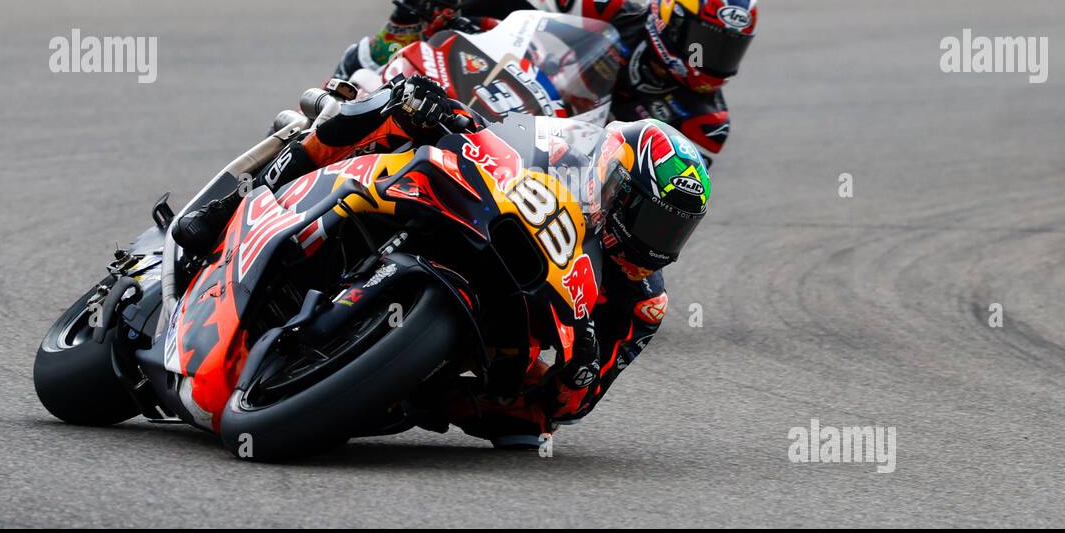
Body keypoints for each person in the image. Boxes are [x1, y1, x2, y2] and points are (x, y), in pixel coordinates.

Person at [174, 74, 713, 448]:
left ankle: (375, 381)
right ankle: (238, 200)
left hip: (510, 331)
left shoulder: (643, 302)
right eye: (650, 219)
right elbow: (508, 135)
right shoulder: (569, 160)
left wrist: (584, 366)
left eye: (675, 230)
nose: (656, 241)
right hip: (485, 219)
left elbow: (576, 405)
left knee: (526, 430)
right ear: (615, 186)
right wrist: (446, 113)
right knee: (393, 108)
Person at [334, 0, 756, 163]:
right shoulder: (610, 6)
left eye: (731, 47)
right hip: (520, 94)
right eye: (709, 41)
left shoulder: (706, 123)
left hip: (568, 175)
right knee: (426, 27)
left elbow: (657, 191)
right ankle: (340, 102)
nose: (716, 60)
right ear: (669, 14)